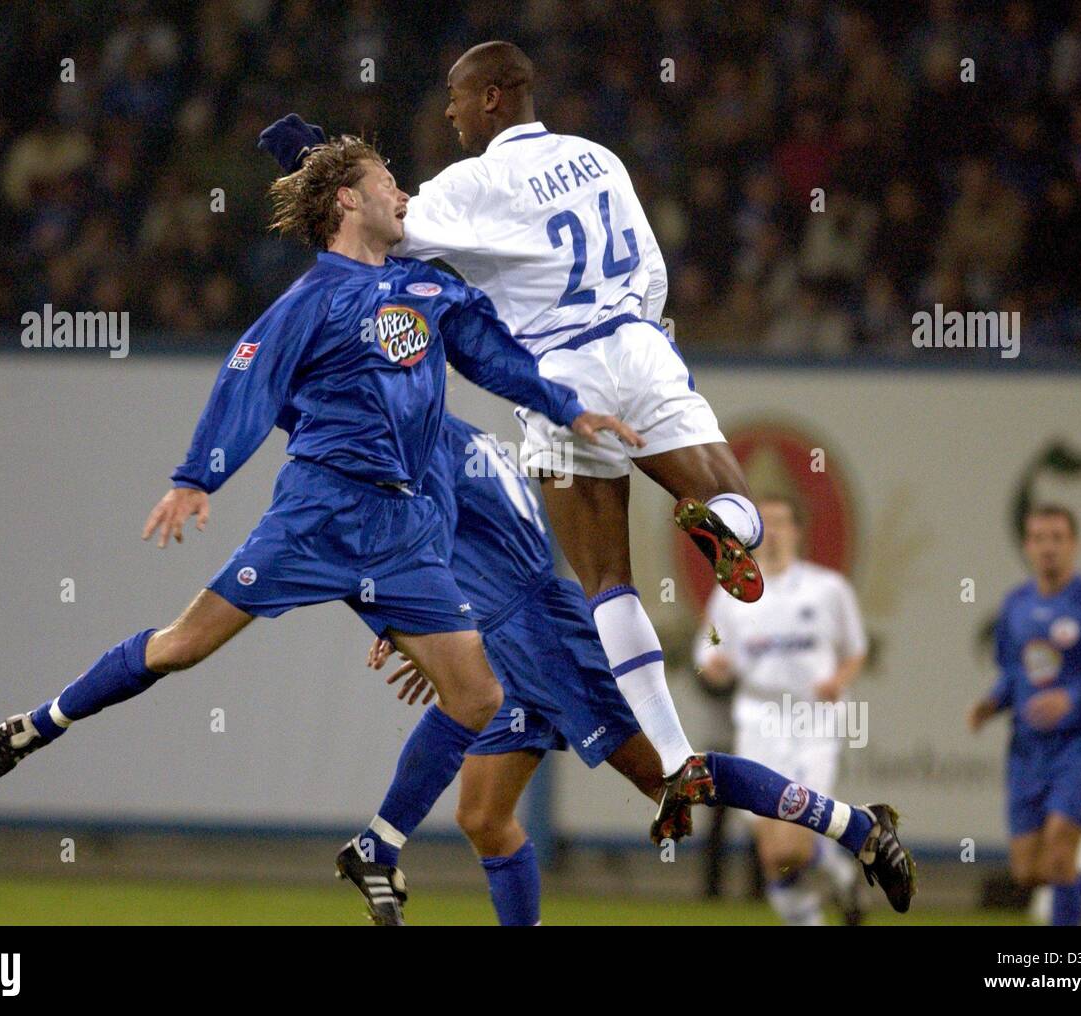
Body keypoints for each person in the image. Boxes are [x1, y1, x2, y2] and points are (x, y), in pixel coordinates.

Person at [0, 134, 638, 786]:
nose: (405, 195)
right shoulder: (312, 300)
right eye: (388, 184)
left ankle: (379, 846)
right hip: (320, 510)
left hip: (399, 528)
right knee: (183, 646)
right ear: (348, 200)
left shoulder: (429, 291)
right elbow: (248, 383)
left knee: (476, 697)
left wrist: (566, 407)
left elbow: (495, 357)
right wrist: (196, 479)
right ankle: (39, 723)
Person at [260, 41, 765, 839]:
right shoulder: (600, 159)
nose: (450, 110)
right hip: (638, 337)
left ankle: (673, 761)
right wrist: (634, 327)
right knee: (733, 495)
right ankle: (726, 532)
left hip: (561, 371)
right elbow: (654, 268)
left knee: (607, 584)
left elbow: (384, 221)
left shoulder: (476, 181)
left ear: (495, 97)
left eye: (457, 96)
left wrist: (311, 154)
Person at [335, 422, 915, 924]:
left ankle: (857, 827)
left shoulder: (423, 441)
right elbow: (470, 542)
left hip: (536, 636)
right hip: (501, 635)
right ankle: (380, 846)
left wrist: (419, 625)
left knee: (669, 781)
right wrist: (443, 639)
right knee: (483, 815)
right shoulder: (454, 437)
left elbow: (427, 542)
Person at [968, 504, 1081, 926]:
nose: (1048, 548)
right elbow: (1015, 673)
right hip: (1028, 749)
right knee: (1029, 871)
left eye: (1057, 538)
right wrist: (992, 702)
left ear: (1074, 545)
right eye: (1039, 539)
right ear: (1028, 546)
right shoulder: (1016, 607)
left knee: (1060, 852)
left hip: (1080, 746)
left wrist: (1077, 700)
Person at [695, 496, 869, 925]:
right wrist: (715, 667)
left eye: (781, 523)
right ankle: (838, 874)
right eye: (764, 524)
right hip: (757, 719)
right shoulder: (732, 595)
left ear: (797, 531)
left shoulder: (827, 588)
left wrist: (838, 680)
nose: (773, 533)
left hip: (812, 717)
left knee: (793, 845)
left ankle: (832, 862)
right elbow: (708, 655)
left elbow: (856, 650)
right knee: (775, 856)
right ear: (749, 536)